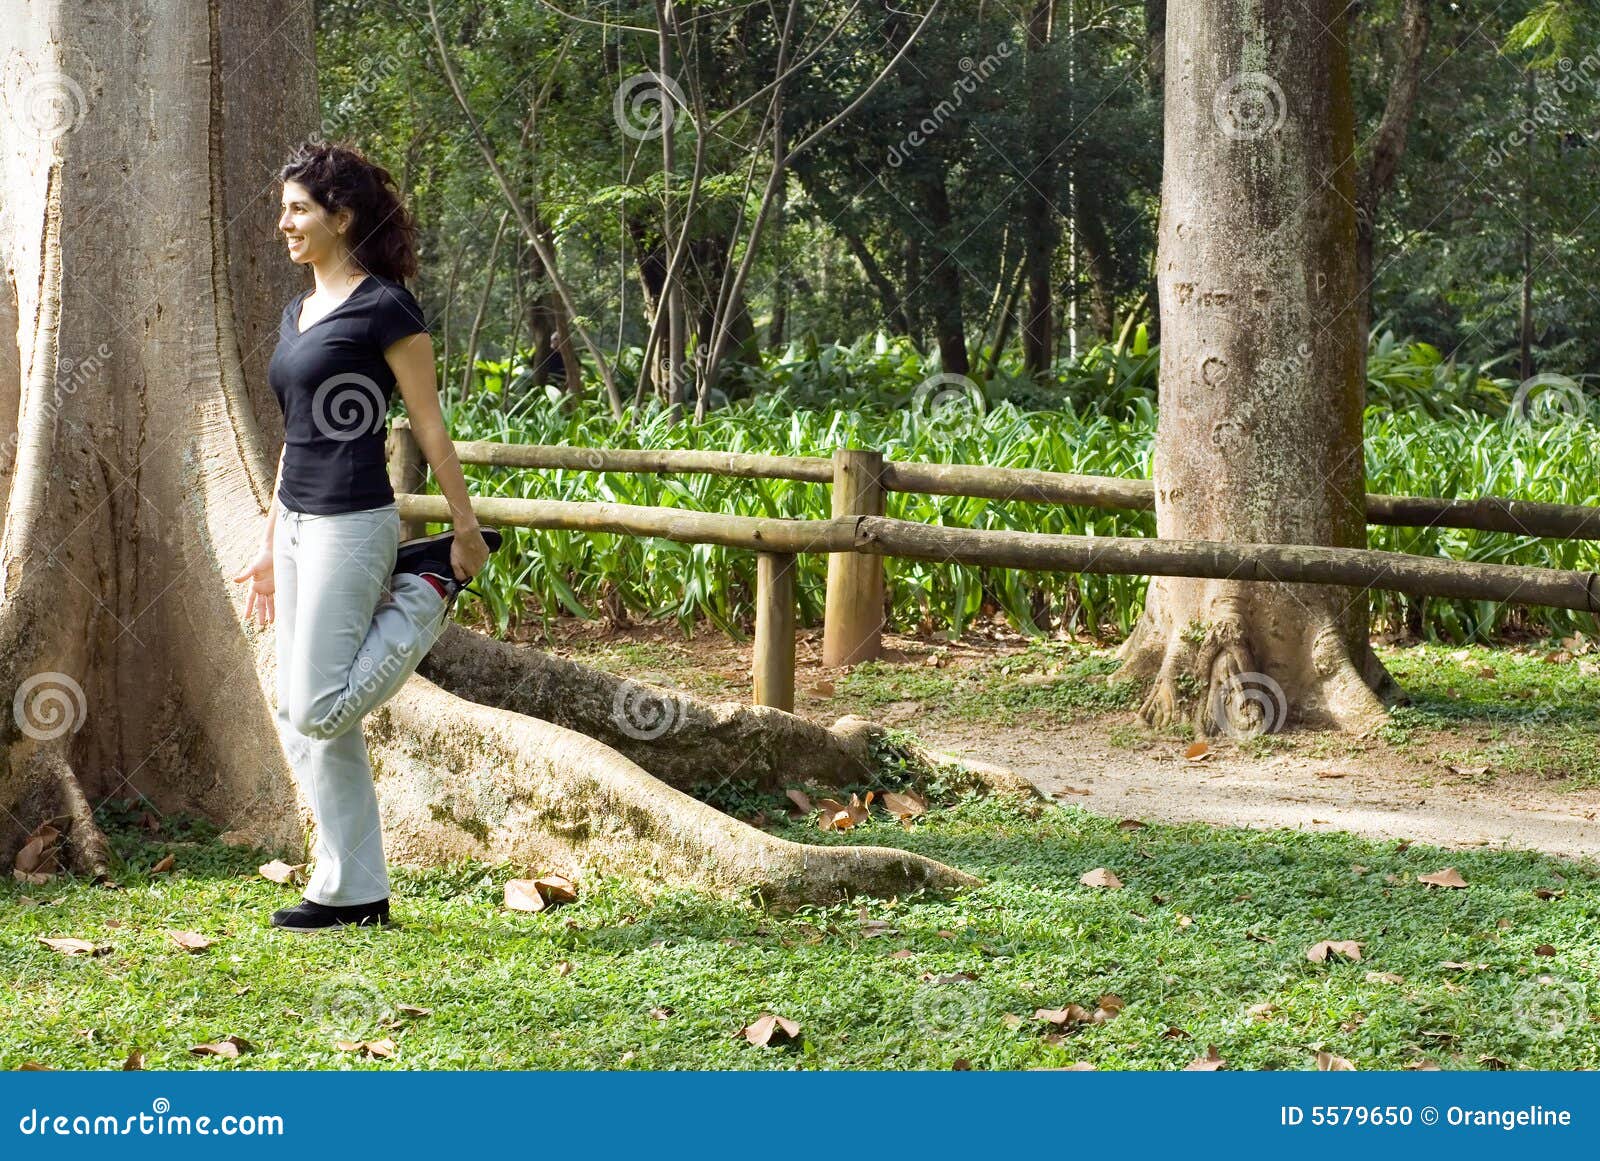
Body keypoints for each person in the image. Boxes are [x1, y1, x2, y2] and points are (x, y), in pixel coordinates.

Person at [230, 140, 502, 933]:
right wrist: (267, 539)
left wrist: (462, 526)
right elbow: (296, 433)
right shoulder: (298, 312)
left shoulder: (387, 307)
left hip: (354, 522)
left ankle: (427, 592)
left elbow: (429, 426)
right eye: (283, 209)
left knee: (313, 704)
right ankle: (352, 888)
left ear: (340, 217)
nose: (283, 223)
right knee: (307, 715)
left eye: (298, 209)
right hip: (298, 522)